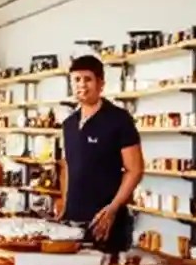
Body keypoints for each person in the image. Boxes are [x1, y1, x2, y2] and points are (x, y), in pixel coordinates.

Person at [60, 55, 145, 253]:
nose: (82, 85)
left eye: (88, 79)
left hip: (106, 221)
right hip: (73, 221)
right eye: (76, 79)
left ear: (101, 84)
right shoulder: (68, 124)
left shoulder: (118, 119)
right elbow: (68, 166)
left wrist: (112, 208)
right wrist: (65, 206)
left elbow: (135, 169)